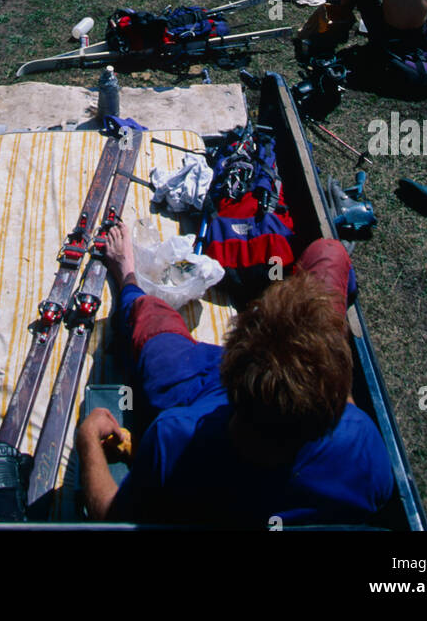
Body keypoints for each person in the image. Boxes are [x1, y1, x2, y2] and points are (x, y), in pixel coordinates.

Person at [75, 222, 394, 528]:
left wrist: (88, 438)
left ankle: (127, 276)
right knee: (330, 252)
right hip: (296, 397)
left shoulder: (175, 439)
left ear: (227, 361)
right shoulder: (367, 453)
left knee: (152, 318)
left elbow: (112, 520)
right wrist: (325, 368)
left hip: (200, 388)